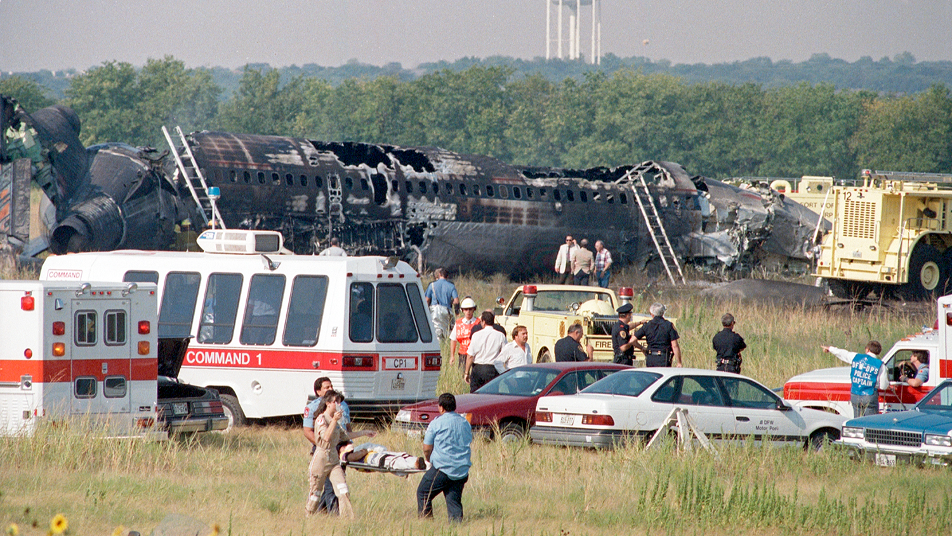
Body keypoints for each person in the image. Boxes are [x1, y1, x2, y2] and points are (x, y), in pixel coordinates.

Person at [304, 390, 376, 518]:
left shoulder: (335, 422)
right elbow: (326, 437)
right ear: (328, 404)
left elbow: (346, 435)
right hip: (321, 458)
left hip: (333, 458)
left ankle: (347, 519)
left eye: (339, 402)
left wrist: (364, 432)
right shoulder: (321, 419)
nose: (338, 404)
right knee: (316, 492)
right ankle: (309, 516)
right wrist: (334, 420)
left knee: (343, 489)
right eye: (335, 402)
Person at [417, 393, 473, 522]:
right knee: (453, 501)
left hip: (442, 469)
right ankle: (456, 527)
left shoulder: (436, 423)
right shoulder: (465, 423)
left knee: (423, 493)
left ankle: (426, 524)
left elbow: (427, 448)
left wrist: (428, 459)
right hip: (461, 470)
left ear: (441, 407)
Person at [303, 377, 353, 515]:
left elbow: (347, 430)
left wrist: (350, 443)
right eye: (326, 387)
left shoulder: (342, 406)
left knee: (340, 487)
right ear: (318, 392)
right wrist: (323, 446)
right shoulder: (315, 411)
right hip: (323, 453)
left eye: (331, 386)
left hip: (338, 450)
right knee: (318, 490)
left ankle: (342, 518)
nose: (330, 389)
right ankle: (312, 514)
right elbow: (309, 432)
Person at [822, 341, 887, 416]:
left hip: (855, 395)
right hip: (869, 396)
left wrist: (830, 348)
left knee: (858, 421)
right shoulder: (881, 365)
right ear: (878, 352)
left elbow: (843, 353)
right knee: (870, 421)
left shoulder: (856, 357)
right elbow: (883, 386)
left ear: (867, 350)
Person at [464, 311, 507, 392]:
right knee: (491, 395)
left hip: (478, 369)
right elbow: (505, 353)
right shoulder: (500, 335)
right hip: (493, 369)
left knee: (475, 394)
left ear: (483, 322)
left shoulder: (476, 335)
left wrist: (466, 372)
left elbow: (470, 355)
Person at [633, 303, 683, 368]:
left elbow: (632, 340)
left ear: (652, 314)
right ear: (663, 313)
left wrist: (642, 348)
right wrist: (679, 362)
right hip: (664, 358)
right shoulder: (669, 325)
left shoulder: (647, 325)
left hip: (650, 358)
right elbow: (675, 345)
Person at [425, 268, 459, 340]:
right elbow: (456, 301)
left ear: (439, 274)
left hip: (435, 311)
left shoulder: (432, 285)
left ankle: (439, 345)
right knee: (448, 331)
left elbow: (427, 300)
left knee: (436, 332)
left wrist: (426, 311)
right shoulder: (451, 286)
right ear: (447, 276)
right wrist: (453, 305)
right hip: (447, 310)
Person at [449, 297, 479, 368]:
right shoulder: (458, 323)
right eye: (466, 309)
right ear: (462, 310)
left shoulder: (479, 322)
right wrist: (452, 356)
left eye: (470, 309)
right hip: (463, 354)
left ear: (474, 309)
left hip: (476, 355)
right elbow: (453, 340)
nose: (468, 311)